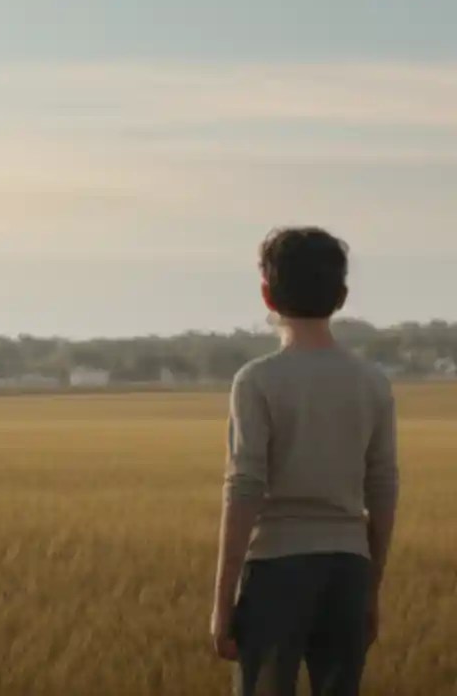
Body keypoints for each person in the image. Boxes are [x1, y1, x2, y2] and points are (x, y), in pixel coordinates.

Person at [210, 227, 400, 696]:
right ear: (341, 297)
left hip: (276, 571)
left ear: (267, 294)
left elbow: (244, 488)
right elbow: (383, 487)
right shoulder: (373, 382)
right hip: (348, 572)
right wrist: (370, 587)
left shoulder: (256, 380)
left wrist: (223, 601)